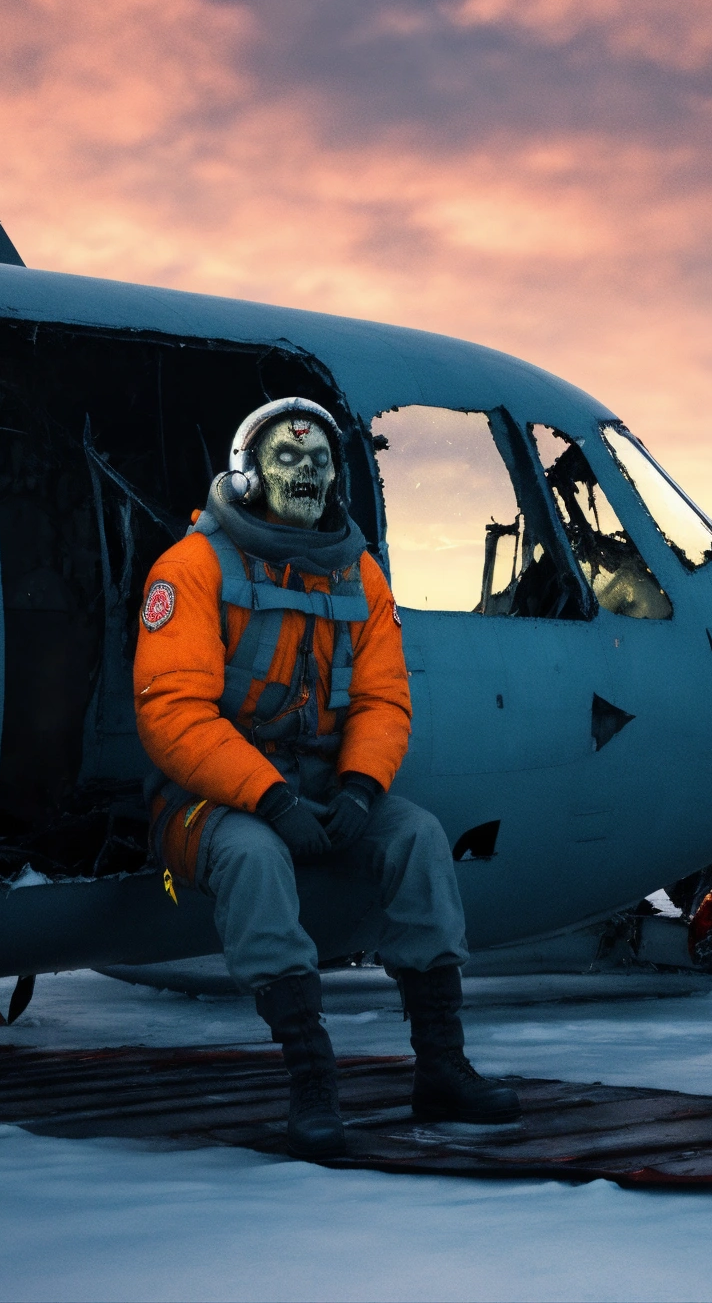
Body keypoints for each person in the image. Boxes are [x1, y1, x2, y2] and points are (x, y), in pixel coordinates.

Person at [133, 397, 519, 1157]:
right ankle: (311, 1078)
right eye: (286, 459)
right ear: (246, 476)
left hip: (324, 787)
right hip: (206, 799)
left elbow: (383, 699)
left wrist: (359, 789)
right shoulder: (191, 568)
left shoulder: (358, 577)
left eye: (318, 462)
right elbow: (171, 713)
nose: (304, 473)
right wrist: (272, 800)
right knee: (251, 856)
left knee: (417, 837)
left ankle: (441, 1065)